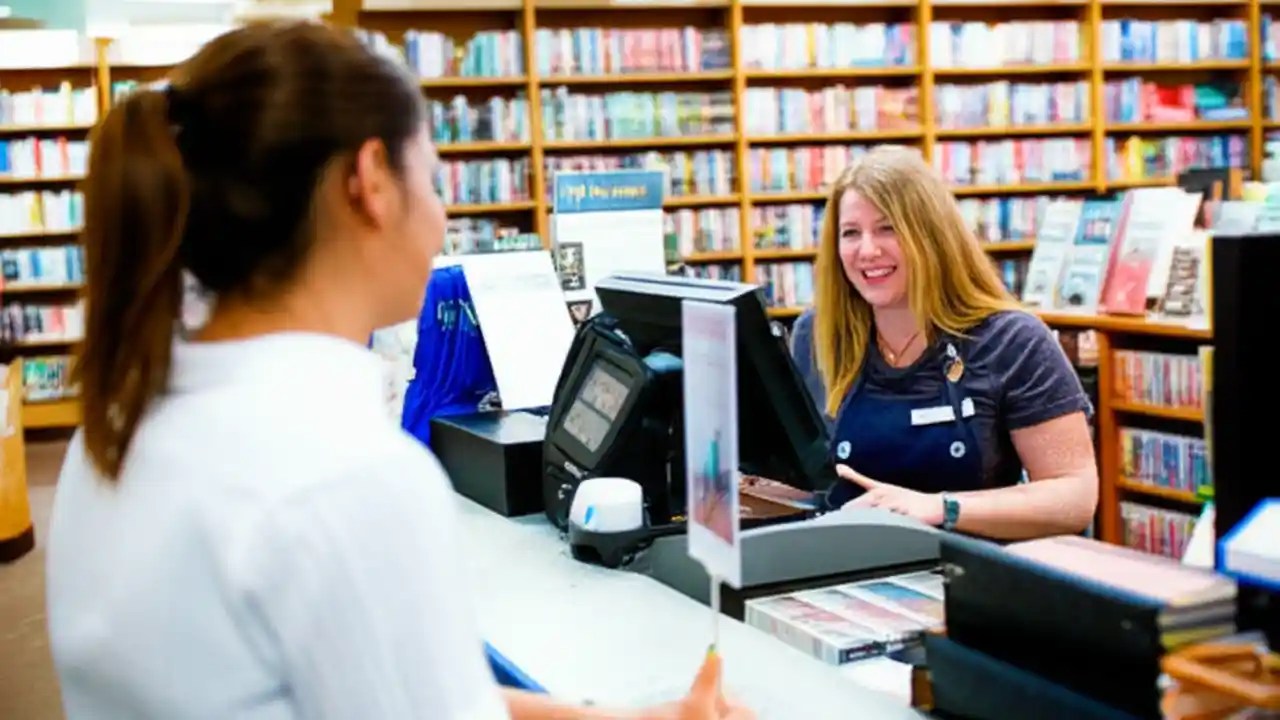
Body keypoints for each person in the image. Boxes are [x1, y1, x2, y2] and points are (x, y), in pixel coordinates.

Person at [45, 21, 750, 720]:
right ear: (371, 180)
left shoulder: (117, 431)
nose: (442, 217)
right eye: (434, 178)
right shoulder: (349, 477)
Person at [790, 145, 1098, 541]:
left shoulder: (1012, 341)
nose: (867, 250)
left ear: (932, 236)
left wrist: (941, 508)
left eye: (888, 228)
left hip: (967, 575)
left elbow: (1074, 497)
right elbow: (800, 475)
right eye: (851, 233)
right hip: (840, 565)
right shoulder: (817, 335)